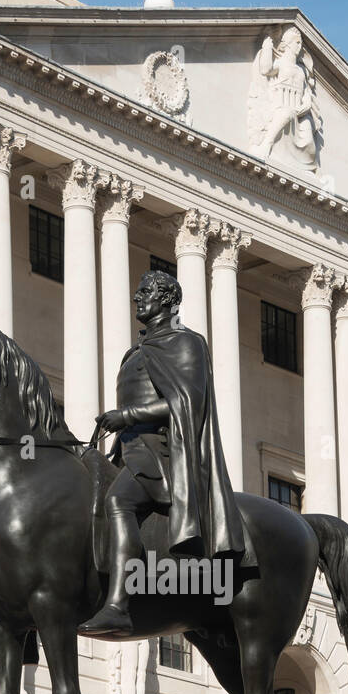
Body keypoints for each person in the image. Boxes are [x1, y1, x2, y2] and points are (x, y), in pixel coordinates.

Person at [78, 270, 251, 638]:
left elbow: (186, 402)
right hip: (130, 451)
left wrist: (125, 415)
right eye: (138, 292)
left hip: (164, 455)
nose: (137, 298)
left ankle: (119, 606)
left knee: (119, 501)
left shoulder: (186, 343)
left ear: (169, 299)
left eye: (146, 292)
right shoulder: (136, 351)